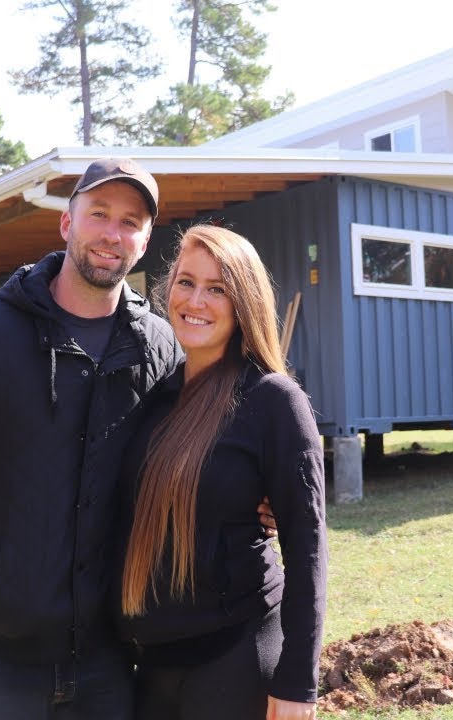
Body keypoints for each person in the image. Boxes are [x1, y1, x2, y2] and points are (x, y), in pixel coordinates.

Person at [0, 157, 181, 719]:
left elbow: (185, 456)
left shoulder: (158, 349)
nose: (111, 233)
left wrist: (258, 495)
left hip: (110, 660)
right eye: (99, 213)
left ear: (144, 243)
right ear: (67, 224)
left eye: (130, 222)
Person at [115, 225, 328, 720]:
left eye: (217, 288)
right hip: (151, 666)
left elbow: (308, 545)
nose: (196, 300)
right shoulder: (155, 399)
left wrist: (299, 681)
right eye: (186, 282)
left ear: (243, 303)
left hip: (234, 659)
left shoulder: (273, 401)